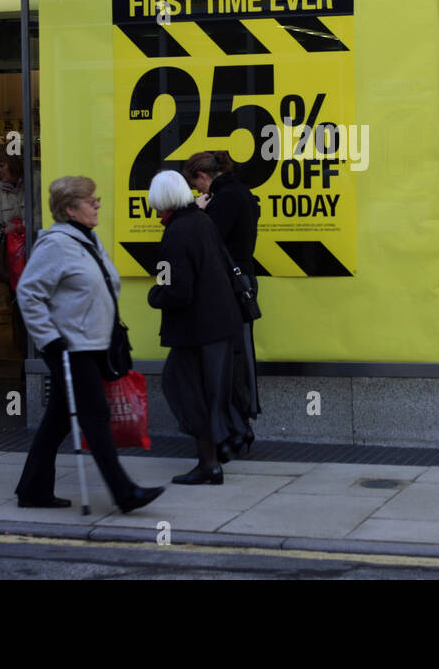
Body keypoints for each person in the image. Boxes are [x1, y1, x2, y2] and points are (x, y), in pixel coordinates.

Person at [14, 175, 163, 513]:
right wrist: (51, 341)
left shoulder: (88, 239)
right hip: (71, 348)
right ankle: (124, 492)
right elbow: (29, 293)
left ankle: (32, 489)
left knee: (57, 421)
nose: (97, 204)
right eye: (90, 199)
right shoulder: (55, 244)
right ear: (70, 209)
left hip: (94, 345)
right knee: (96, 416)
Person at [146, 170, 243, 485]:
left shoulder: (177, 232)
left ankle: (208, 464)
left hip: (197, 328)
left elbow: (177, 289)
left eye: (156, 205)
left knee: (186, 391)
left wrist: (154, 295)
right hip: (220, 322)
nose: (155, 211)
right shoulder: (201, 222)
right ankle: (217, 452)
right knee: (209, 393)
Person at [184, 150, 261, 461]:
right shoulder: (239, 192)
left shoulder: (224, 198)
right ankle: (237, 426)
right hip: (240, 282)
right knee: (236, 358)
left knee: (230, 361)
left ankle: (236, 428)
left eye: (196, 185)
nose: (198, 192)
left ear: (203, 176)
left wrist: (198, 212)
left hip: (228, 287)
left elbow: (207, 241)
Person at [0, 154, 27, 357]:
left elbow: (44, 217)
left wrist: (19, 226)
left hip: (35, 259)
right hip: (14, 264)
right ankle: (24, 364)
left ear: (13, 164)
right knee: (19, 313)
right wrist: (1, 259)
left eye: (1, 165)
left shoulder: (35, 182)